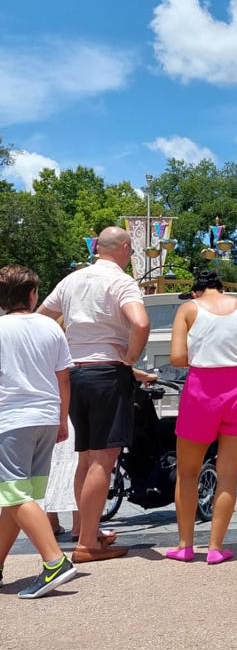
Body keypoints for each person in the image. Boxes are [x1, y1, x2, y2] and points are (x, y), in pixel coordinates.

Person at [38, 226, 150, 563]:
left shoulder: (71, 280)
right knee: (104, 457)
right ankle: (87, 542)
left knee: (85, 456)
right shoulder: (121, 281)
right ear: (126, 248)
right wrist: (129, 359)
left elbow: (42, 318)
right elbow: (141, 323)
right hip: (107, 372)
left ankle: (89, 530)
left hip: (75, 373)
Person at [166, 268, 237, 564]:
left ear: (196, 291)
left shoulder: (188, 309)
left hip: (202, 389)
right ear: (221, 288)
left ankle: (185, 545)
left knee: (187, 472)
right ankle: (215, 547)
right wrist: (236, 356)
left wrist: (205, 356)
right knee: (228, 474)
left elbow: (176, 357)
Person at [0, 265, 78, 598]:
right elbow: (63, 378)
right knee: (18, 498)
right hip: (46, 418)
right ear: (32, 295)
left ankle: (54, 561)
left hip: (11, 418)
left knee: (14, 494)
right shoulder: (51, 327)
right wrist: (62, 420)